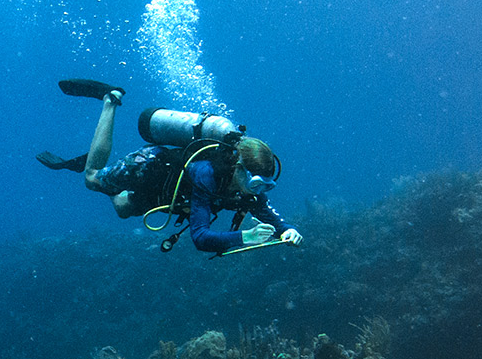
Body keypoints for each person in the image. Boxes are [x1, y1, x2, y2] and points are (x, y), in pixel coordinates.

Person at [41, 84, 304, 255]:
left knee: (122, 209)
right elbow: (200, 237)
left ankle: (110, 181)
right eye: (256, 183)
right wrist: (245, 236)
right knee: (91, 178)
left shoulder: (246, 185)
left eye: (265, 186)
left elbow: (269, 214)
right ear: (237, 167)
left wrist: (286, 229)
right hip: (147, 166)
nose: (258, 192)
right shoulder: (206, 175)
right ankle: (109, 100)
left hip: (169, 193)